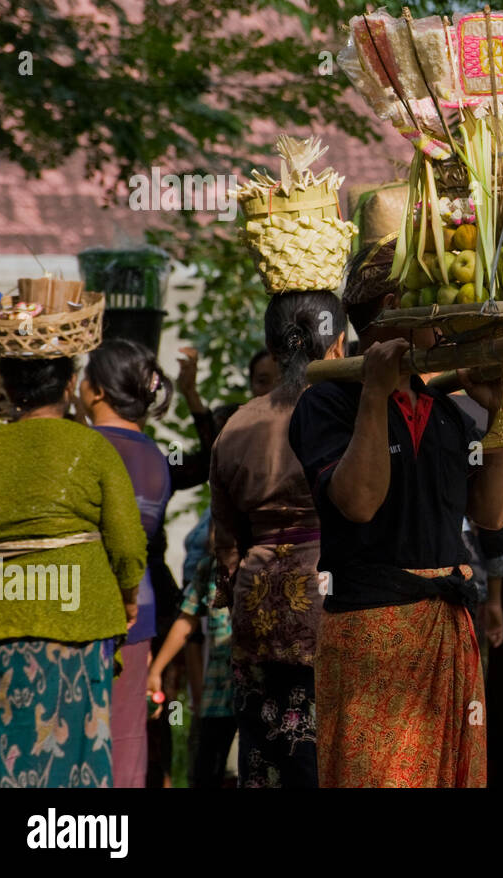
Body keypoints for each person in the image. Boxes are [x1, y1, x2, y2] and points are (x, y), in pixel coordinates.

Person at [288, 242, 503, 787]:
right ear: (397, 306)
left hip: (447, 628)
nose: (447, 322)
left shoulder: (446, 412)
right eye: (437, 302)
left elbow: (491, 512)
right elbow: (360, 501)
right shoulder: (328, 401)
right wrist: (373, 394)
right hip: (373, 632)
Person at [0, 356, 147, 788]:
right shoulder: (92, 447)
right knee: (80, 758)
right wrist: (128, 595)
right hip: (83, 622)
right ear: (71, 384)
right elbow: (127, 543)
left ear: (8, 387)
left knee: (5, 754)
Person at [210, 292, 345, 788]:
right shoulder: (351, 412)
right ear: (338, 344)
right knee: (332, 749)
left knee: (267, 753)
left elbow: (225, 541)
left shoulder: (237, 425)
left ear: (271, 347)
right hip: (332, 601)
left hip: (258, 604)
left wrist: (236, 592)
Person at [78, 338, 174, 788]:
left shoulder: (83, 447)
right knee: (127, 738)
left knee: (72, 734)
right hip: (142, 613)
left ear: (96, 390)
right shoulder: (156, 457)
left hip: (83, 609)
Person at [146, 543, 235, 788]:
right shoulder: (209, 568)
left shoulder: (264, 560)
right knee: (204, 773)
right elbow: (187, 620)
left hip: (251, 696)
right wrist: (155, 671)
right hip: (215, 698)